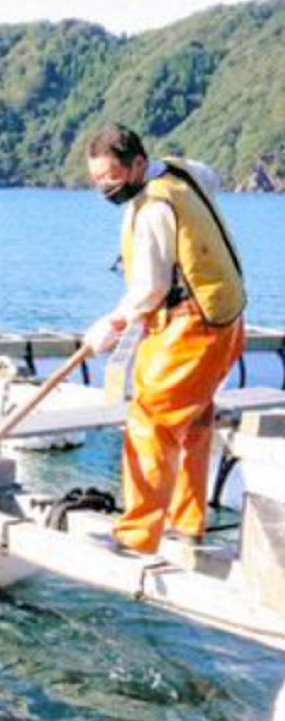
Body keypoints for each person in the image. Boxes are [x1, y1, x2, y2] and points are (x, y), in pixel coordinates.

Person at [82, 122, 246, 554]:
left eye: (112, 178)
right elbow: (213, 178)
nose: (105, 189)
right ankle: (187, 521)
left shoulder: (153, 209)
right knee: (192, 420)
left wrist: (111, 324)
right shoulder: (183, 171)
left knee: (150, 422)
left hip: (193, 324)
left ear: (138, 164)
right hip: (227, 316)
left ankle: (137, 535)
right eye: (97, 180)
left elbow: (149, 289)